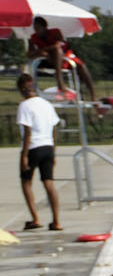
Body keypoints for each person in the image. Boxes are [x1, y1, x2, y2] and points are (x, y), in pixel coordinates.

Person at [15, 74, 61, 233]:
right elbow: (54, 129)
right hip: (48, 146)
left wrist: (24, 155)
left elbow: (27, 131)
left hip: (33, 147)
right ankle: (56, 221)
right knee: (49, 183)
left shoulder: (24, 106)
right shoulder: (47, 104)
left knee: (26, 181)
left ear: (22, 89)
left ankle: (35, 218)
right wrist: (54, 151)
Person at [25, 16, 95, 101]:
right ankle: (60, 84)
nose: (36, 30)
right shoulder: (33, 38)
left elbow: (57, 46)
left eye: (38, 28)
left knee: (81, 66)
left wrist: (43, 50)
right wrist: (42, 53)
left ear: (45, 27)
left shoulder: (56, 32)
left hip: (64, 58)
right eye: (35, 28)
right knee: (56, 51)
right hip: (47, 61)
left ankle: (92, 95)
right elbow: (29, 54)